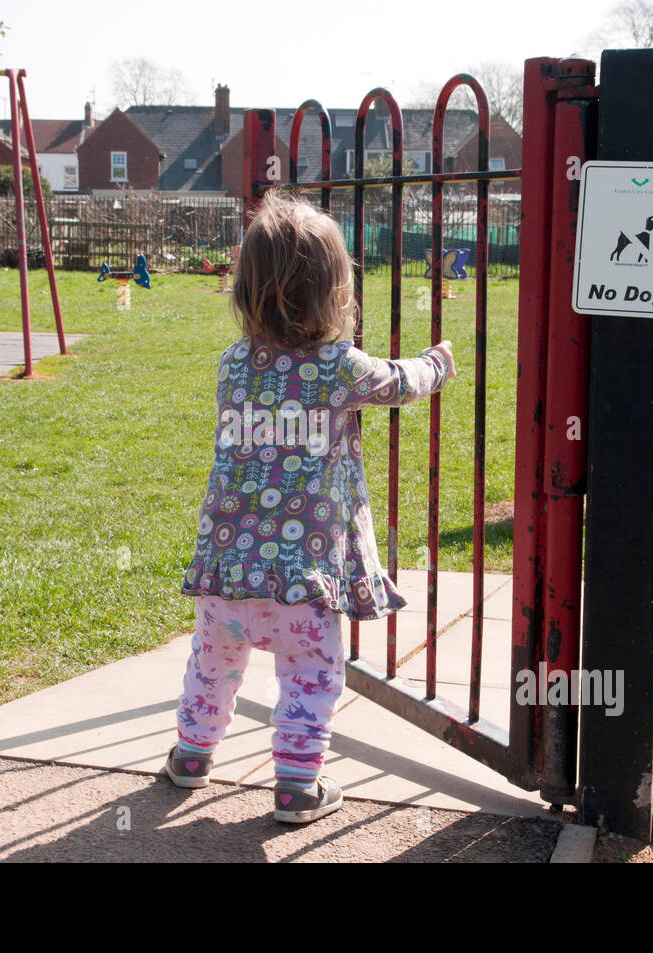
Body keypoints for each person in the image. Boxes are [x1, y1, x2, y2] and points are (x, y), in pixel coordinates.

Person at [165, 189, 456, 823]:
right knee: (310, 675)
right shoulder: (339, 367)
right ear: (334, 293)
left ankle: (191, 753)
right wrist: (438, 361)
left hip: (227, 567)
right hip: (305, 575)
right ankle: (297, 784)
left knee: (212, 663)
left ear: (246, 291)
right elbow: (401, 384)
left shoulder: (234, 363)